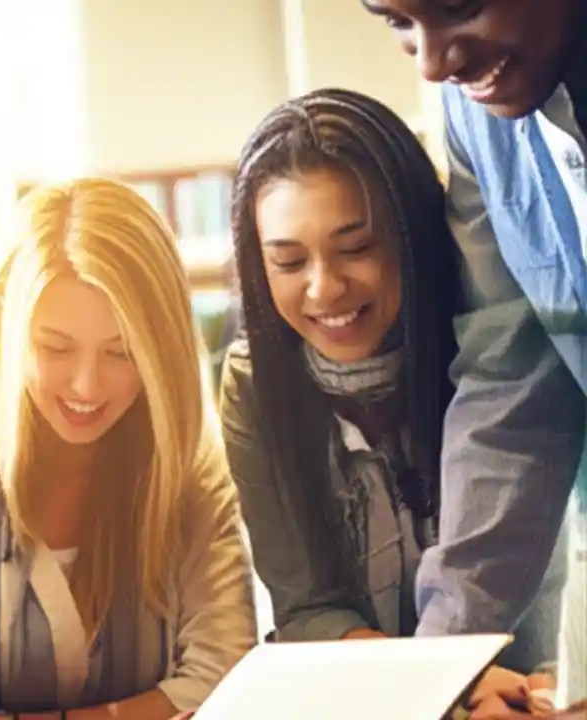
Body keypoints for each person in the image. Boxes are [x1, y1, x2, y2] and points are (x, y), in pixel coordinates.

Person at [221, 87, 564, 715]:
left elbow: (565, 580)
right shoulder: (255, 383)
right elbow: (307, 609)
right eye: (288, 261)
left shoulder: (498, 354)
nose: (324, 288)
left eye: (356, 247)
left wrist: (524, 689)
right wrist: (434, 687)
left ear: (412, 234)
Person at [0, 178, 256, 719]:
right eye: (55, 348)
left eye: (121, 352)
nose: (87, 386)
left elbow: (227, 688)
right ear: (6, 329)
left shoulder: (190, 476)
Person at [358, 0, 587, 712]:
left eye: (458, 7)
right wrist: (441, 670)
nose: (430, 62)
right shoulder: (475, 115)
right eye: (396, 21)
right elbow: (509, 379)